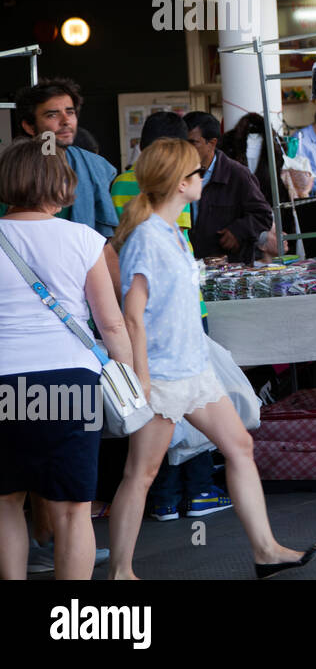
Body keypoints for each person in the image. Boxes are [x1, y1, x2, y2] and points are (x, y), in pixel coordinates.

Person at [107, 138, 316, 578]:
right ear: (181, 183)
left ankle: (266, 549)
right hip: (164, 376)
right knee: (141, 475)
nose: (204, 178)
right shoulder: (149, 236)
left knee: (239, 445)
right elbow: (132, 316)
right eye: (197, 173)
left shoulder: (168, 230)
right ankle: (121, 572)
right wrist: (142, 378)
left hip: (192, 369)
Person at [0, 140, 134, 580]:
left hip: (5, 383)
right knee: (74, 511)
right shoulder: (84, 239)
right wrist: (131, 377)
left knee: (6, 503)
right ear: (59, 183)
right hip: (70, 383)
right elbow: (111, 325)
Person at [112, 112, 231, 523]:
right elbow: (135, 312)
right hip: (176, 331)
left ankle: (166, 501)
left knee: (152, 461)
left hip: (163, 338)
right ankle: (197, 491)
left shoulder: (123, 186)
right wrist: (142, 374)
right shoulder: (159, 220)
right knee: (161, 448)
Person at [14, 78, 118, 238]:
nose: (65, 121)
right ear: (29, 126)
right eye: (52, 115)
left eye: (70, 112)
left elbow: (104, 241)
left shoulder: (92, 164)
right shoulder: (12, 170)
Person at [183, 112, 273, 264]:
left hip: (228, 272)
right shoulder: (178, 173)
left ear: (211, 143)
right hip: (188, 266)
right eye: (183, 143)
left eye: (193, 143)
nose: (186, 149)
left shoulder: (237, 175)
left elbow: (263, 215)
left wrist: (238, 231)